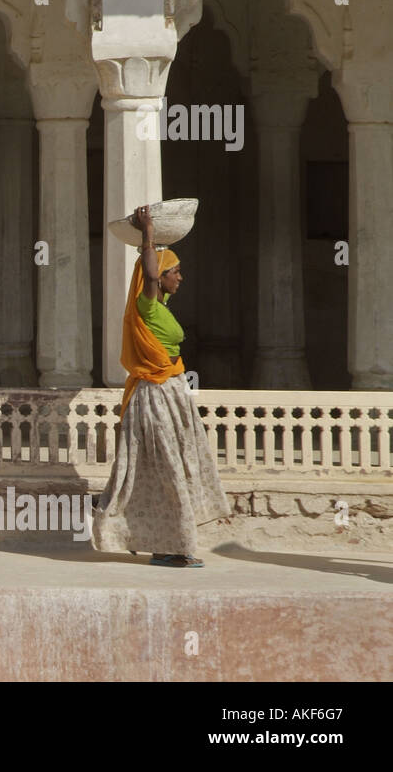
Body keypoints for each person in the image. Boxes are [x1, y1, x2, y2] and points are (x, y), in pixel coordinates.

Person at [91, 205, 232, 567]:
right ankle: (169, 546)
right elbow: (149, 276)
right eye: (175, 272)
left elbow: (156, 278)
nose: (179, 278)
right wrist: (148, 236)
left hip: (170, 392)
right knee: (164, 469)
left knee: (175, 467)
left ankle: (164, 541)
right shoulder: (147, 304)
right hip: (153, 396)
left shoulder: (163, 308)